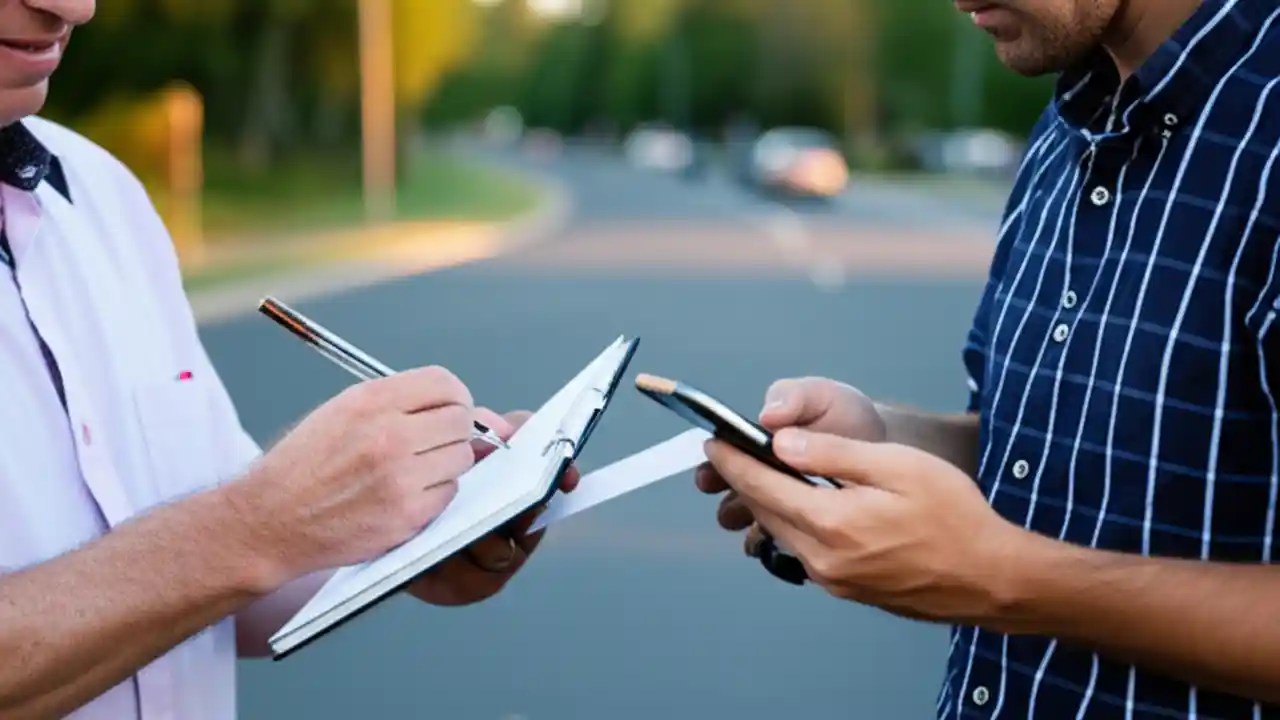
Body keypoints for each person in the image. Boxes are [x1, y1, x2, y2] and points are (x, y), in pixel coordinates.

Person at [698, 0, 1280, 717]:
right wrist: (875, 440)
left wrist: (1005, 579)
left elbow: (1007, 563)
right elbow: (1037, 456)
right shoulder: (1069, 125)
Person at [0, 1, 575, 718]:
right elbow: (236, 540)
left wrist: (404, 543)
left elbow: (212, 575)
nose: (74, 6)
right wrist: (257, 526)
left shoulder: (102, 193)